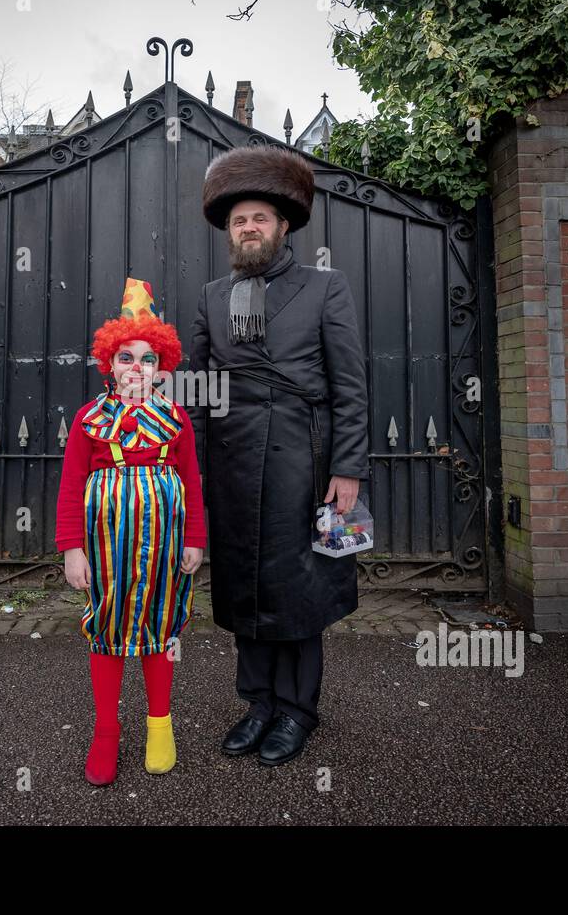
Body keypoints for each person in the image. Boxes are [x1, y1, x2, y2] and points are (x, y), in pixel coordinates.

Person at [190, 144, 370, 766]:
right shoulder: (214, 296)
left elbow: (351, 383)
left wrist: (349, 468)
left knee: (301, 587)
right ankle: (258, 702)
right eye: (239, 220)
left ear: (283, 225)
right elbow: (197, 385)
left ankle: (297, 711)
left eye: (259, 219)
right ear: (229, 231)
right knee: (243, 584)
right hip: (233, 465)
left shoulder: (326, 287)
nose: (248, 228)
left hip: (308, 461)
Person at [56, 278, 207, 786]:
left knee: (159, 627)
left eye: (147, 359)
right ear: (109, 364)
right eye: (126, 358)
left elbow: (191, 480)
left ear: (161, 367)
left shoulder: (176, 418)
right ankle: (106, 730)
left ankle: (159, 725)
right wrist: (72, 549)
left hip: (165, 541)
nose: (136, 368)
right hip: (106, 543)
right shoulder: (88, 420)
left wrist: (194, 539)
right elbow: (72, 484)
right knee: (109, 624)